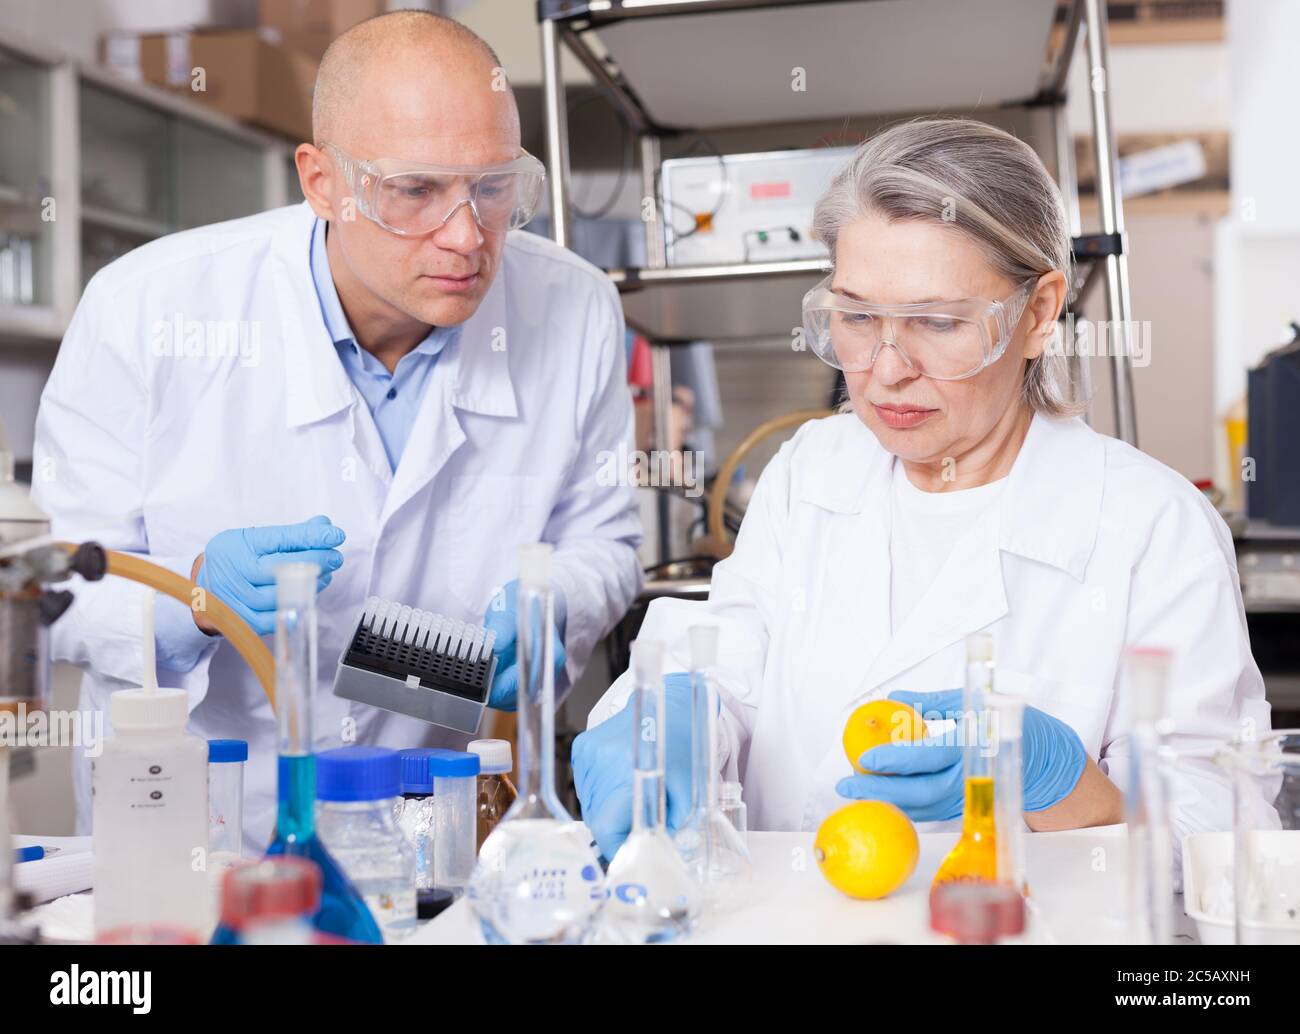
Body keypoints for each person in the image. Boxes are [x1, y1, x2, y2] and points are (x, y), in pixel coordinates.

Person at [574, 118, 1268, 862]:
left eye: (937, 321)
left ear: (1037, 314)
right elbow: (730, 665)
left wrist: (1055, 782)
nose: (886, 367)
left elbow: (1223, 845)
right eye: (856, 315)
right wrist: (674, 709)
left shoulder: (1154, 527)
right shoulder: (813, 467)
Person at [33, 11, 641, 849]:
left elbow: (606, 542)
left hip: (437, 824)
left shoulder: (575, 309)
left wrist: (557, 606)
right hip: (195, 833)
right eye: (415, 190)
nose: (467, 237)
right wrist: (196, 596)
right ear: (322, 182)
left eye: (494, 187)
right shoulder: (146, 308)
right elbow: (56, 590)